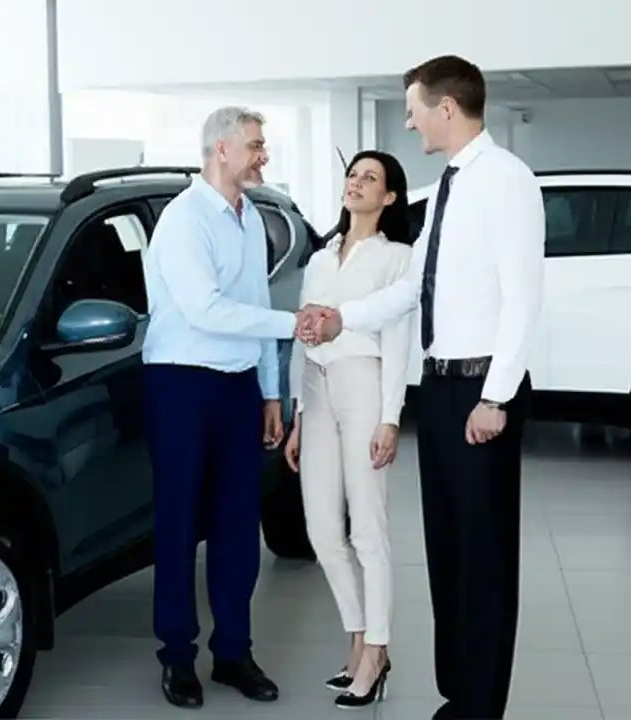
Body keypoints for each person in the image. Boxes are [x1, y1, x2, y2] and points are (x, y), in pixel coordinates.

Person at [298, 56, 544, 720]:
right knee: (449, 552)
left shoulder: (507, 181)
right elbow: (413, 288)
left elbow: (523, 299)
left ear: (445, 108)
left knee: (484, 556)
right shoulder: (448, 188)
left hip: (478, 391)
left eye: (413, 109)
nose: (408, 121)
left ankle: (480, 706)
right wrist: (342, 316)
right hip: (439, 390)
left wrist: (495, 396)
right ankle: (458, 693)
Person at [141, 106, 312, 708]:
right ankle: (177, 657)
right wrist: (298, 322)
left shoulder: (248, 217)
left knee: (239, 525)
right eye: (256, 145)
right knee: (180, 525)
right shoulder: (184, 221)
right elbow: (206, 311)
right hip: (181, 385)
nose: (263, 155)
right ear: (221, 150)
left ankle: (233, 653)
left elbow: (253, 307)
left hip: (238, 387)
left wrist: (269, 392)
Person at [284, 149, 414, 710]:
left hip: (364, 384)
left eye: (369, 178)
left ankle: (377, 650)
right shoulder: (318, 259)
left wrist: (390, 417)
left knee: (367, 529)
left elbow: (398, 342)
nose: (355, 184)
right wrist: (297, 412)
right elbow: (300, 333)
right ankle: (358, 637)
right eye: (351, 175)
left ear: (388, 197)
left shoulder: (397, 259)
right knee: (321, 530)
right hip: (316, 391)